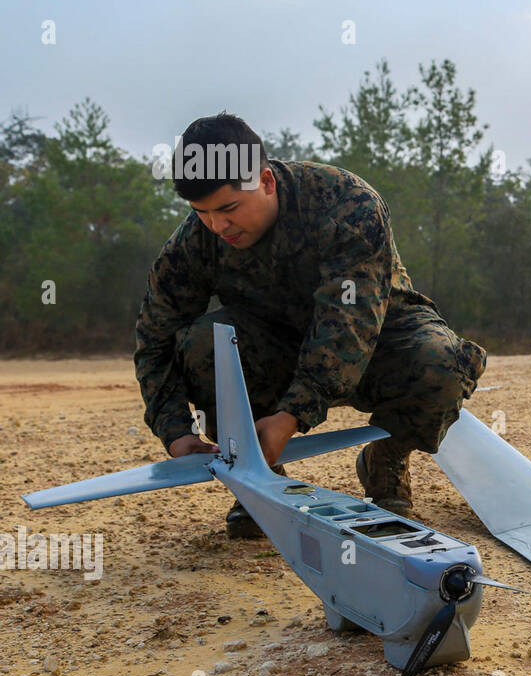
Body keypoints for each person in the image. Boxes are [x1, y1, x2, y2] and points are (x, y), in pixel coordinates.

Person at [134, 112, 486, 538]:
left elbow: (348, 321)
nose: (217, 226)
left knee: (442, 364)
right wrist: (174, 431)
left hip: (377, 339)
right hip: (275, 347)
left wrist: (291, 417)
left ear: (266, 181)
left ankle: (387, 457)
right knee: (203, 344)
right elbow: (156, 336)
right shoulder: (195, 240)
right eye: (202, 212)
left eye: (228, 208)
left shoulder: (346, 202)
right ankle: (260, 476)